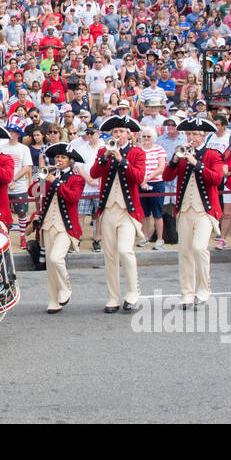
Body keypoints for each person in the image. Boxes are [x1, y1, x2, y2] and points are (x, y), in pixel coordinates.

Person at [162, 118, 225, 309]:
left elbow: (217, 179)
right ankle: (187, 293)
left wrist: (196, 163)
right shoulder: (182, 153)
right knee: (185, 252)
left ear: (203, 136)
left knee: (199, 248)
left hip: (204, 210)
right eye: (189, 134)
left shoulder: (213, 154)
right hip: (184, 209)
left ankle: (204, 289)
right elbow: (167, 177)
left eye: (195, 135)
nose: (191, 138)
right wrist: (175, 160)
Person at [90, 116, 146, 313]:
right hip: (108, 210)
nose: (118, 135)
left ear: (129, 134)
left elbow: (138, 178)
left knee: (125, 250)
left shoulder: (137, 152)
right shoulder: (102, 151)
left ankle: (133, 292)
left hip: (127, 211)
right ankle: (113, 297)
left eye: (121, 132)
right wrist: (106, 156)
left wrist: (122, 161)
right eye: (115, 133)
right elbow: (94, 172)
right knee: (110, 255)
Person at [31, 142, 85, 313]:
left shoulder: (77, 179)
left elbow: (72, 198)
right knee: (50, 264)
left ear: (70, 161)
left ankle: (66, 288)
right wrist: (40, 175)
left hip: (65, 226)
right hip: (48, 224)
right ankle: (53, 300)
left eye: (63, 157)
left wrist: (55, 181)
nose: (59, 160)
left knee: (56, 258)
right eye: (57, 157)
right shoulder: (49, 175)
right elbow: (32, 192)